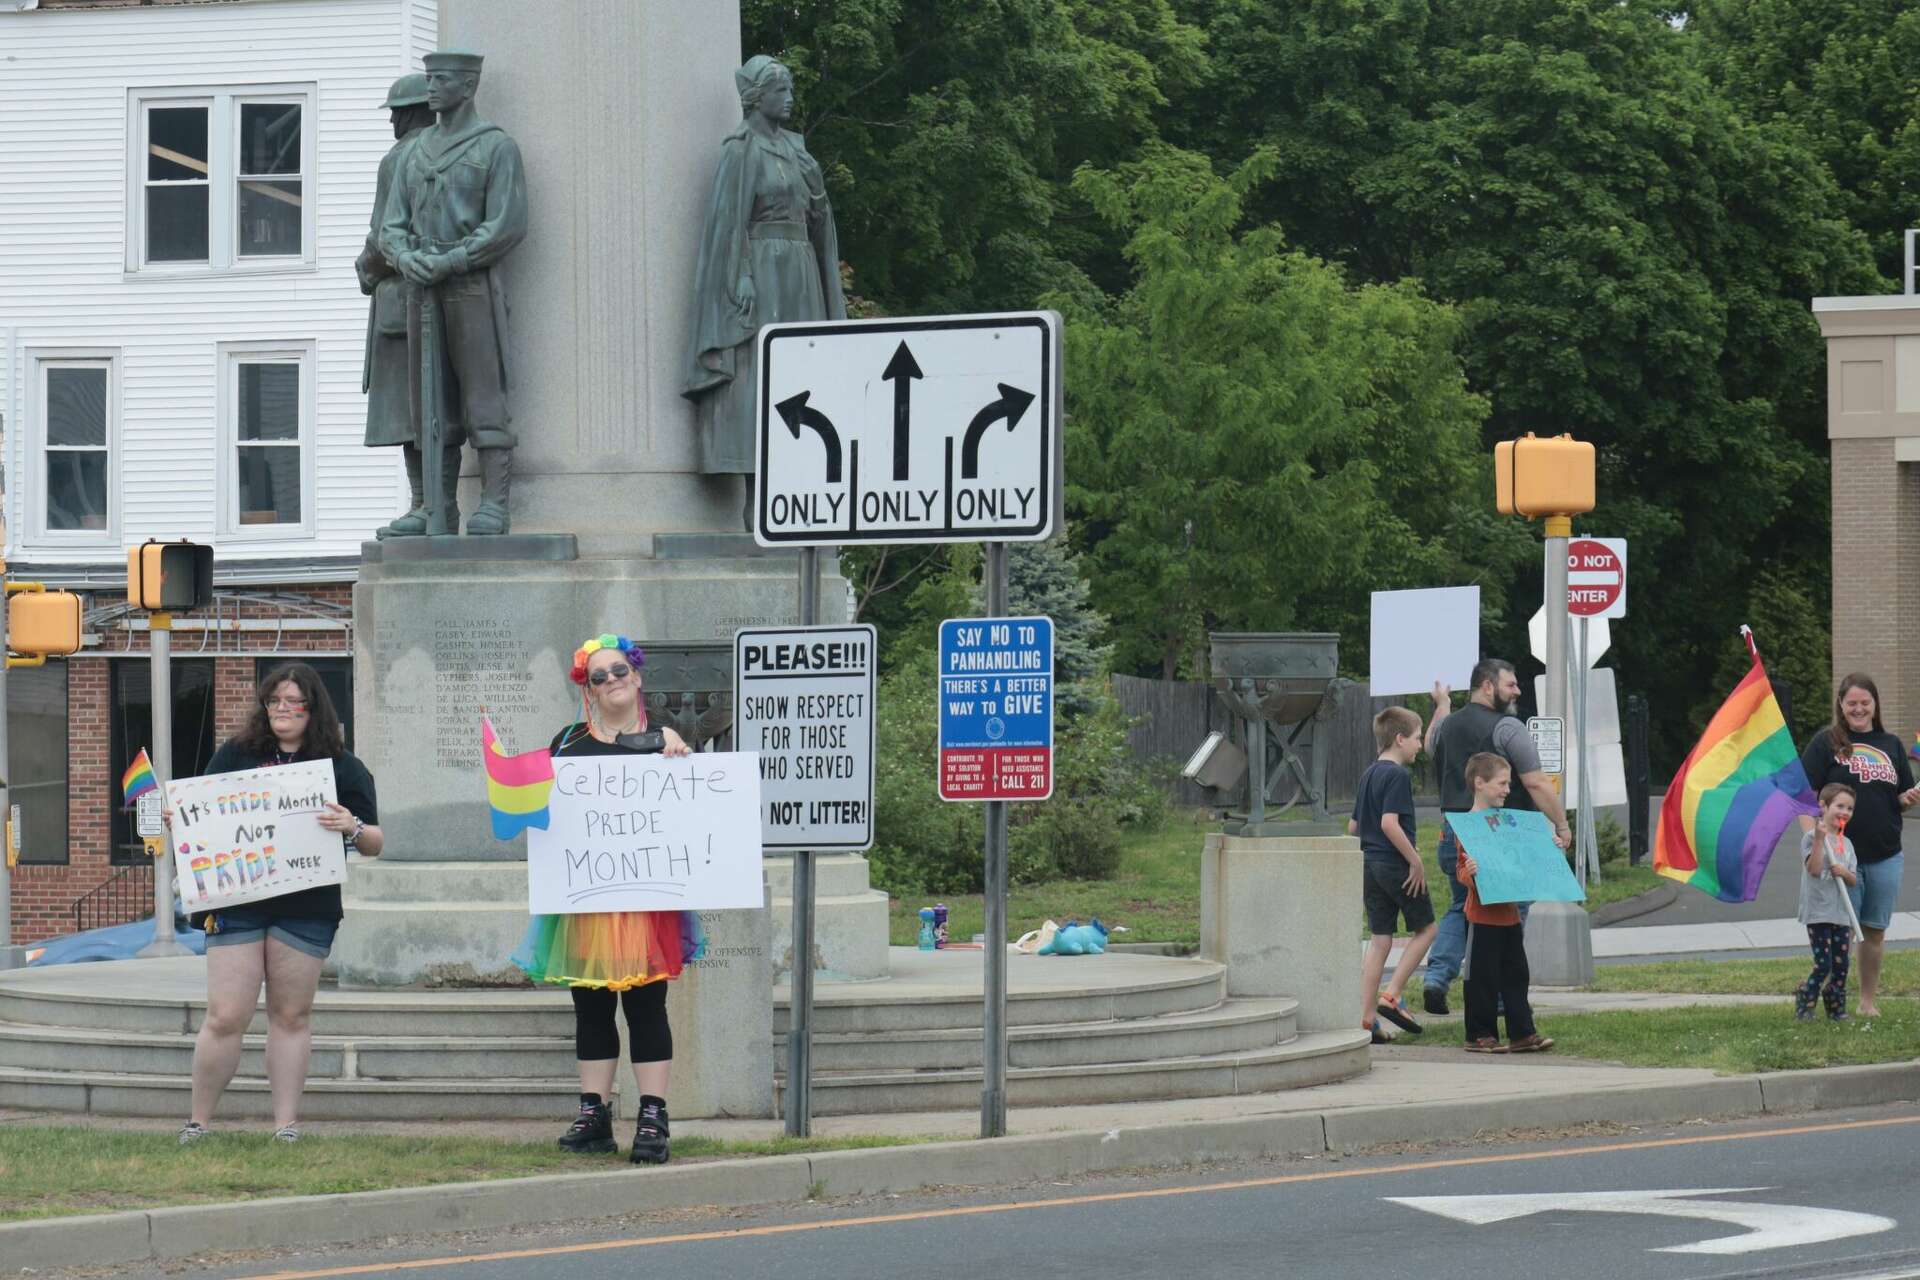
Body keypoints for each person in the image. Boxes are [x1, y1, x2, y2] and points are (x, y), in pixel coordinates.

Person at [511, 634, 705, 1164]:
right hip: (586, 900)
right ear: (588, 688)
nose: (611, 681)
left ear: (636, 676)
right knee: (591, 1008)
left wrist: (678, 753)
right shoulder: (567, 744)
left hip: (645, 902)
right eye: (598, 676)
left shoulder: (665, 738)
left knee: (647, 1008)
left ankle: (652, 1116)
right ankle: (594, 1114)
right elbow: (544, 811)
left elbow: (691, 808)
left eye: (619, 670)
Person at [174, 663, 383, 1144]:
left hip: (306, 906)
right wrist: (181, 818)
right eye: (274, 701)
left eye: (294, 702)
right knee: (226, 1014)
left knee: (290, 1015)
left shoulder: (342, 766)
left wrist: (351, 826)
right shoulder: (236, 754)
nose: (282, 709)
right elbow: (203, 811)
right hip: (237, 900)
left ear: (313, 708)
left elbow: (375, 841)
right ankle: (198, 1122)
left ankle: (286, 1127)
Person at [684, 55, 847, 523]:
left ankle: (799, 487)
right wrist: (740, 274)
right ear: (757, 98)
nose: (790, 98)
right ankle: (758, 496)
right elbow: (727, 223)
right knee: (757, 378)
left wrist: (818, 189)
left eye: (790, 89)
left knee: (803, 374)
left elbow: (817, 220)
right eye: (781, 90)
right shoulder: (740, 150)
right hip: (763, 268)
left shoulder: (797, 151)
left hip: (801, 272)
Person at [380, 48, 529, 535]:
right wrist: (404, 257)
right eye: (429, 79)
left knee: (484, 395)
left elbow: (506, 224)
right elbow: (391, 225)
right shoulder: (413, 153)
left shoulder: (496, 147)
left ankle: (495, 505)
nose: (431, 88)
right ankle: (437, 506)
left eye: (441, 79)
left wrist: (455, 259)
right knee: (428, 403)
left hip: (470, 285)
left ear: (468, 86)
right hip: (421, 287)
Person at [1422, 658, 1572, 1016]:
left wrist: (1442, 705)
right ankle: (1506, 996)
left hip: (1454, 830)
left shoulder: (1447, 726)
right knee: (1511, 911)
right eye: (1510, 684)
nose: (1517, 691)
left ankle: (1436, 978)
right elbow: (1536, 782)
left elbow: (1428, 746)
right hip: (1501, 832)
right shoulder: (1508, 728)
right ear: (1487, 686)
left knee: (1461, 906)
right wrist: (1561, 824)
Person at [1798, 674, 1918, 1017]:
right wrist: (1815, 840)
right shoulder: (1826, 743)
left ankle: (1867, 1002)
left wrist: (1908, 799)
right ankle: (1833, 1002)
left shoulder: (1891, 744)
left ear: (1875, 704)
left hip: (1885, 854)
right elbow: (1802, 797)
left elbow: (1898, 799)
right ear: (1841, 704)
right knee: (1840, 935)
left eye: (1865, 702)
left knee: (1874, 932)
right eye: (1852, 703)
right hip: (1839, 858)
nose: (1859, 709)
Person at [357, 72, 440, 539]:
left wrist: (365, 270)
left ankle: (424, 503)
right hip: (437, 297)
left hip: (398, 299)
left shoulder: (401, 157)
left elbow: (382, 234)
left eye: (396, 113)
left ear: (411, 113)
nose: (392, 121)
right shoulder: (447, 152)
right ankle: (431, 503)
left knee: (410, 411)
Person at [1350, 702, 1441, 1041]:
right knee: (1427, 929)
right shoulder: (1398, 776)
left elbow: (1353, 826)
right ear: (1400, 739)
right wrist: (1415, 861)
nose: (1419, 745)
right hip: (1395, 864)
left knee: (1380, 940)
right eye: (1417, 738)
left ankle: (1366, 1018)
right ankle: (1393, 994)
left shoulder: (1368, 774)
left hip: (1369, 865)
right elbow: (1390, 823)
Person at [1453, 753, 1554, 1053]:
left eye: (1509, 784)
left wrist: (1547, 849)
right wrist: (1470, 873)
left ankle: (1522, 1033)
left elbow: (1522, 860)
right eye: (1502, 783)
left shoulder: (1508, 823)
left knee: (1516, 975)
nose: (1508, 790)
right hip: (1482, 917)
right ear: (1479, 783)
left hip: (1509, 915)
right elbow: (1460, 869)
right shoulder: (1467, 825)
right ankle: (1479, 1034)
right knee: (1481, 978)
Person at [1796, 783, 1860, 1022]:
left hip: (1841, 913)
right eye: (1840, 806)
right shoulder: (1811, 838)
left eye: (1850, 808)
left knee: (1841, 964)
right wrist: (1820, 840)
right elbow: (1813, 870)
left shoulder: (1847, 844)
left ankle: (1836, 1008)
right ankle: (1805, 1002)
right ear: (1823, 806)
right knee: (1823, 964)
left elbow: (1853, 880)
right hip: (1818, 912)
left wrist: (1844, 872)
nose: (1845, 812)